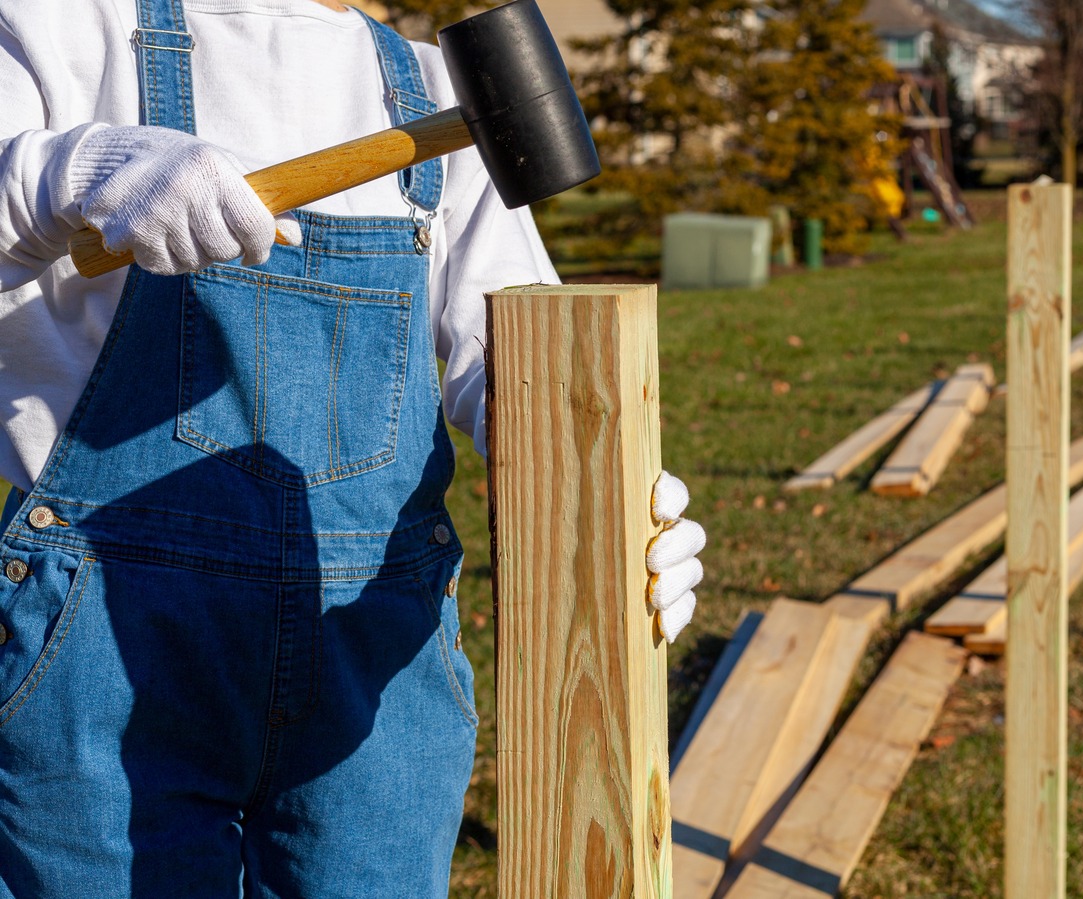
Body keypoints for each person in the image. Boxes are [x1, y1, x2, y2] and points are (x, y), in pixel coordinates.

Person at [0, 0, 703, 895]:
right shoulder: (55, 29)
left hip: (373, 654)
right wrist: (64, 174)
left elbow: (522, 360)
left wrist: (611, 503)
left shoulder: (432, 88)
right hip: (103, 647)